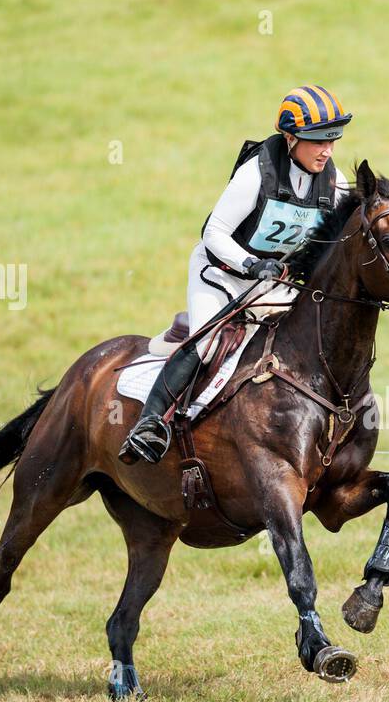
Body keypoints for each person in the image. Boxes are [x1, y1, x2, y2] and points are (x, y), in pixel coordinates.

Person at [119, 86, 353, 465]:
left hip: (270, 283)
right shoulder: (257, 172)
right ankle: (148, 423)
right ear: (291, 139)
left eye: (332, 141)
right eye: (317, 142)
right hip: (221, 273)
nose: (326, 151)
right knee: (208, 340)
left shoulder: (334, 180)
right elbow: (213, 233)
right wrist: (250, 265)